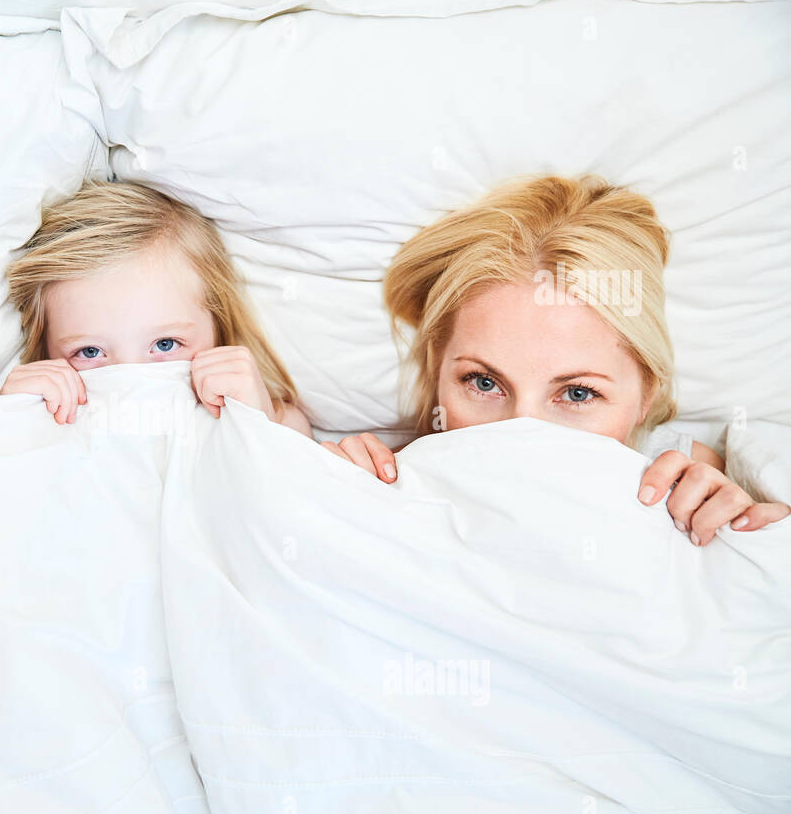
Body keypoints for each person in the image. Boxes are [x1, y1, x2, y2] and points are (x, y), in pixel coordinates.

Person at [326, 174, 789, 545]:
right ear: (437, 369)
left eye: (578, 393)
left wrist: (752, 537)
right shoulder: (384, 480)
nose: (521, 432)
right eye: (483, 383)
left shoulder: (695, 480)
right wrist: (318, 492)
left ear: (648, 393)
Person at [0, 180, 311, 436]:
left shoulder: (275, 421)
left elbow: (285, 506)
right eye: (90, 351)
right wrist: (4, 423)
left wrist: (257, 423)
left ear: (220, 330)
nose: (132, 381)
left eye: (165, 344)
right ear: (47, 353)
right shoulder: (44, 421)